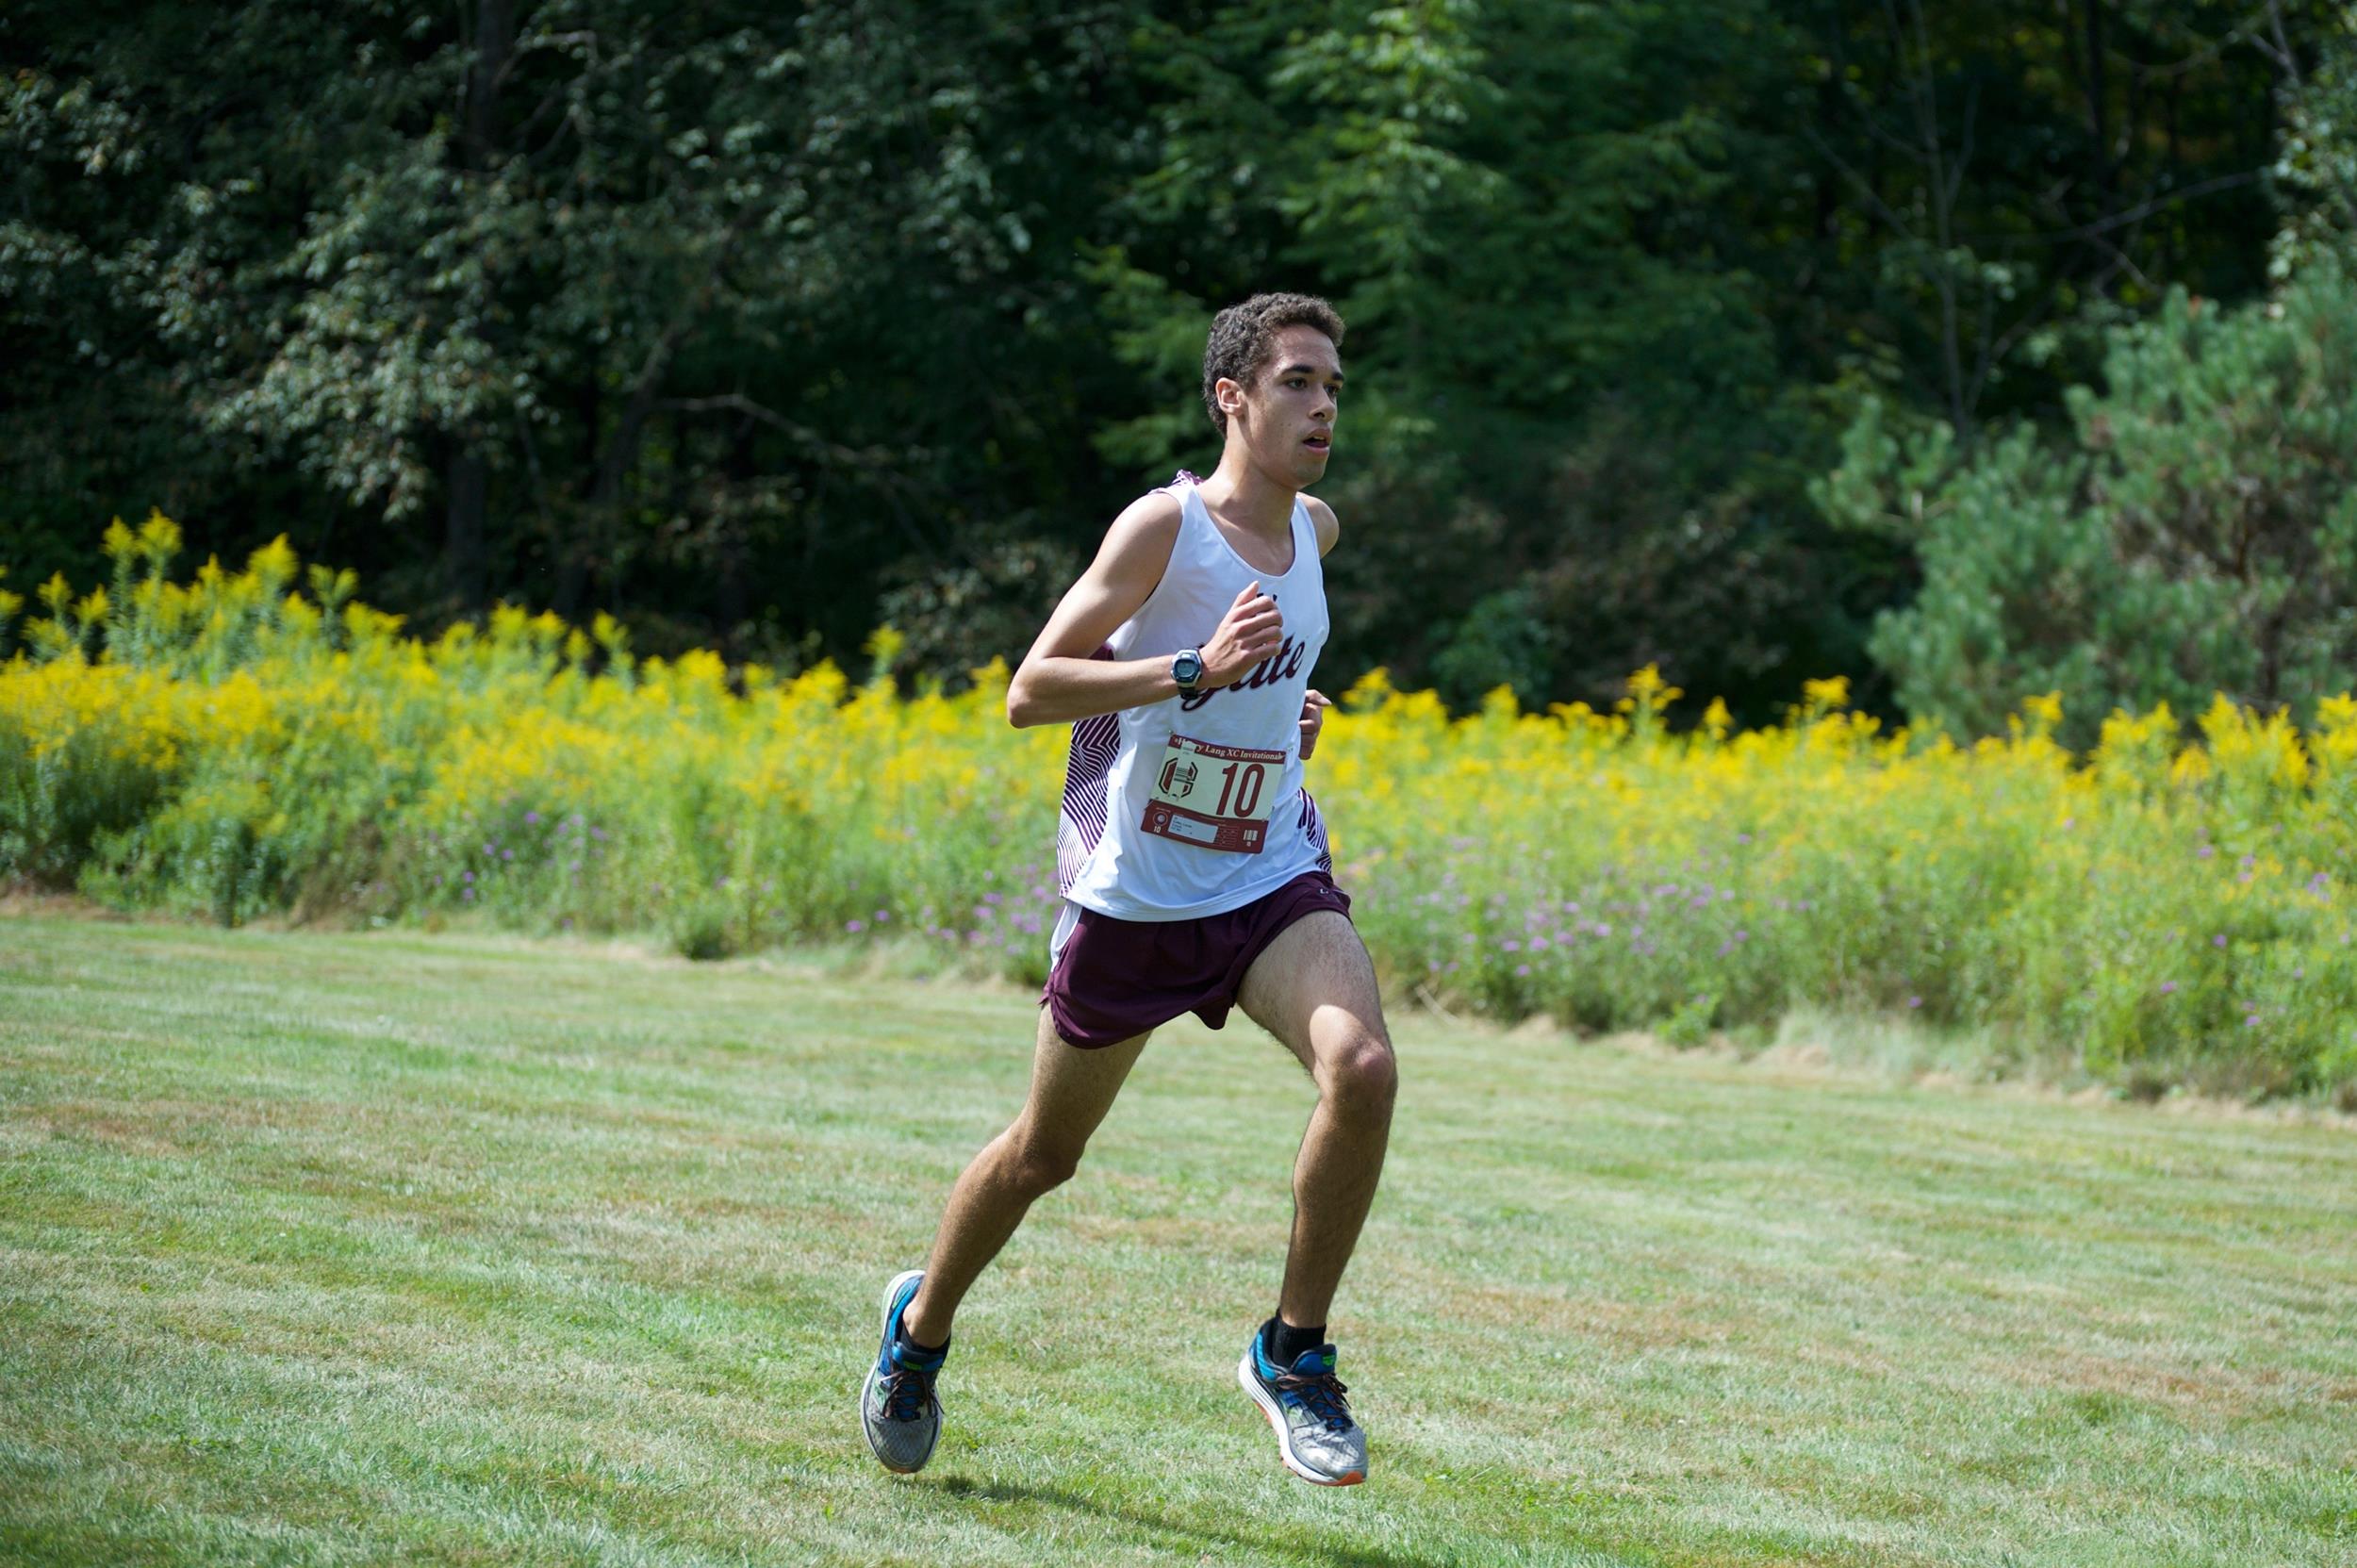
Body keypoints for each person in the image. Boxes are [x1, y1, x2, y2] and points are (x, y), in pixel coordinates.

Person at [860, 292, 1396, 1488]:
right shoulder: (1164, 527)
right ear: (1233, 397)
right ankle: (919, 1328)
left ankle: (1291, 1352)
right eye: (1299, 383)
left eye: (1334, 387)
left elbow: (1267, 671)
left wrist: (1279, 712)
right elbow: (1033, 686)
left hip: (1267, 874)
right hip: (1141, 897)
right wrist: (1194, 668)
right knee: (1044, 1155)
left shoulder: (1317, 529)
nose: (1322, 406)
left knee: (1360, 1067)